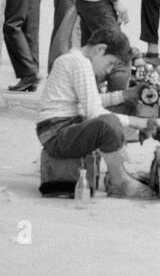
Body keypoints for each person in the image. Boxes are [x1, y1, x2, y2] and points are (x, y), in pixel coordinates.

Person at [35, 28, 150, 198]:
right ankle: (119, 182)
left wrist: (126, 95)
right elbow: (95, 112)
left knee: (116, 118)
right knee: (108, 124)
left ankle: (121, 172)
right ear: (100, 50)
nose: (110, 70)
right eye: (111, 63)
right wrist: (137, 122)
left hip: (63, 128)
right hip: (56, 133)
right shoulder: (79, 62)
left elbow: (94, 100)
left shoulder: (75, 60)